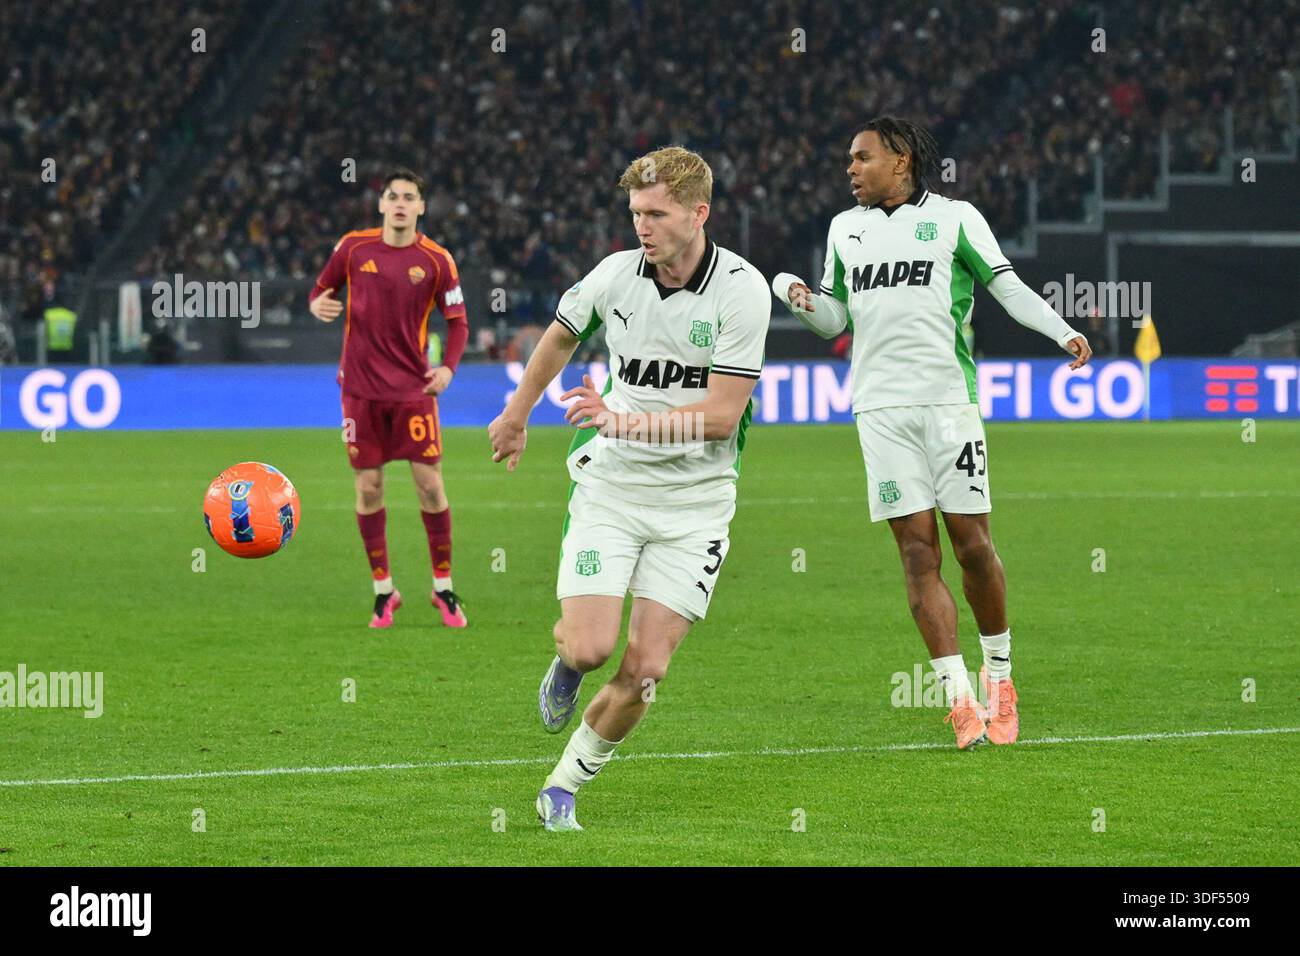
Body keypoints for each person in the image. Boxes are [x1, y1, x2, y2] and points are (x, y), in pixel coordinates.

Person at [772, 117, 1092, 749]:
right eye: (848, 160)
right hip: (880, 413)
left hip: (949, 404)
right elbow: (837, 316)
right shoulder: (845, 229)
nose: (851, 169)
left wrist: (1062, 330)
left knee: (973, 546)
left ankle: (999, 679)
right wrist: (799, 298)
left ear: (902, 159)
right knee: (918, 554)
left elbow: (1005, 285)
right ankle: (959, 699)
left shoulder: (955, 219)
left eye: (861, 158)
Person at [487, 146, 770, 830]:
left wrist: (624, 419)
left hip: (696, 508)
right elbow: (559, 335)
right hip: (612, 491)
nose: (641, 226)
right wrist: (517, 413)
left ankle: (564, 784)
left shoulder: (741, 291)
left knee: (646, 669)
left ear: (698, 214)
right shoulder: (616, 275)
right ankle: (566, 663)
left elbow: (723, 416)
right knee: (589, 647)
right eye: (635, 212)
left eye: (656, 213)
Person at [309, 168, 469, 629]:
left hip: (412, 392)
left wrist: (447, 369)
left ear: (421, 207)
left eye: (410, 197)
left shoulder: (437, 260)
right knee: (368, 488)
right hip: (359, 393)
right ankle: (384, 591)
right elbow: (320, 290)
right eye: (393, 196)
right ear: (382, 205)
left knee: (431, 486)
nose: (400, 203)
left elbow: (458, 322)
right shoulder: (353, 248)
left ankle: (443, 587)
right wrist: (317, 303)